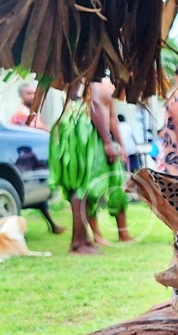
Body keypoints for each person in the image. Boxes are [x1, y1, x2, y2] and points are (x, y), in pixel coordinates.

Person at [50, 78, 131, 254]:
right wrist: (107, 142)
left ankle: (83, 239)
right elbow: (93, 104)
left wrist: (120, 143)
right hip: (87, 132)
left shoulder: (82, 80)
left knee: (84, 187)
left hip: (80, 129)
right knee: (85, 187)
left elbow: (111, 116)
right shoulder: (90, 78)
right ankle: (78, 243)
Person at [8, 82, 64, 234]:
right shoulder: (22, 114)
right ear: (21, 96)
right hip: (24, 160)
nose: (33, 96)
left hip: (31, 159)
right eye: (29, 93)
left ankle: (52, 226)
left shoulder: (32, 112)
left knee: (38, 197)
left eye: (34, 93)